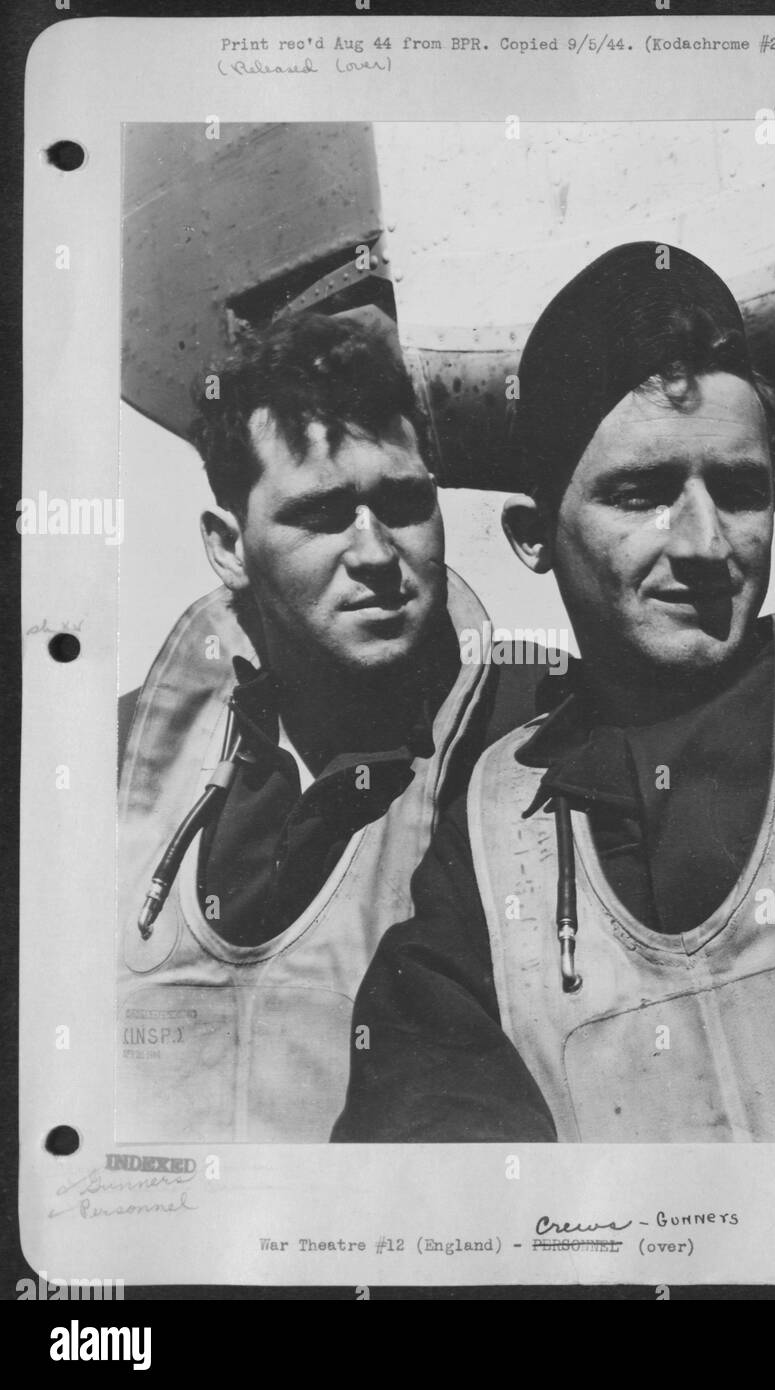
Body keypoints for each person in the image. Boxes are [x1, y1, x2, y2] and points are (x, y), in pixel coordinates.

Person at [336, 242, 775, 1144]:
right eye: (642, 494)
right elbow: (430, 1144)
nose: (702, 543)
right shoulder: (488, 834)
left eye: (736, 490)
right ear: (534, 534)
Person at [117, 310, 547, 1143]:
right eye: (320, 514)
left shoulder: (539, 719)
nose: (378, 554)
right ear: (228, 545)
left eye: (404, 503)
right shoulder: (121, 758)